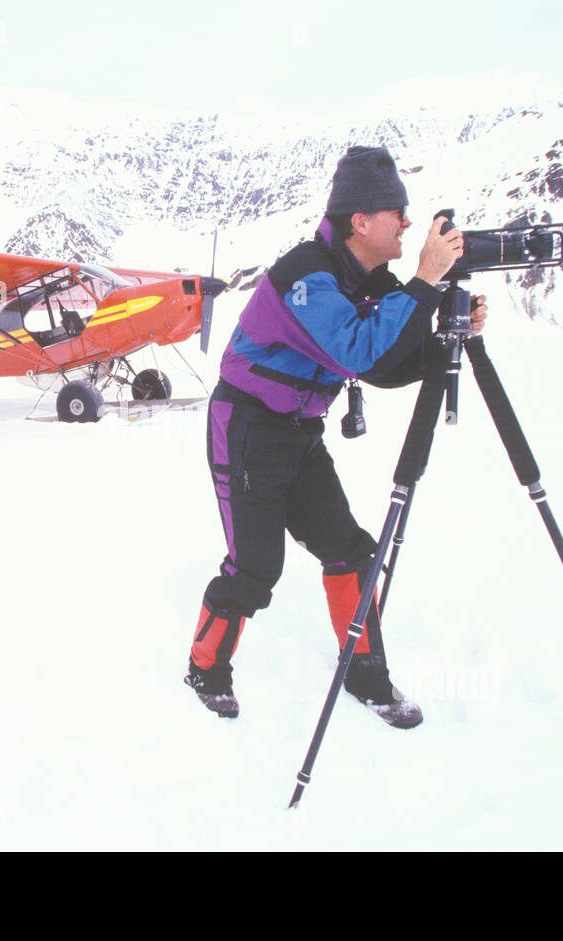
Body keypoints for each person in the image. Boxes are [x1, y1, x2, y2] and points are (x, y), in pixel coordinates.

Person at [184, 145, 488, 726]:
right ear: (361, 221)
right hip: (246, 427)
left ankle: (365, 674)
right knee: (255, 569)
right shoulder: (307, 275)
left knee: (351, 551)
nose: (406, 223)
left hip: (300, 431)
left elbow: (383, 364)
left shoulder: (368, 277)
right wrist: (425, 282)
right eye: (397, 212)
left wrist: (442, 340)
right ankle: (205, 668)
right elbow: (355, 346)